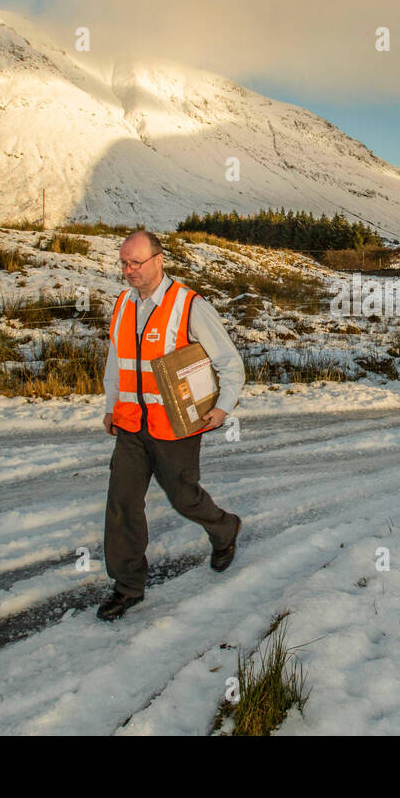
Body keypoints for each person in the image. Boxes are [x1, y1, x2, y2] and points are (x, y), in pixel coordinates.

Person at [97, 229, 246, 621]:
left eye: (136, 263)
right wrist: (112, 406)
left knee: (184, 498)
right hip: (131, 425)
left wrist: (223, 406)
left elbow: (229, 362)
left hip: (175, 427)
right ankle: (127, 585)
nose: (128, 271)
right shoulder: (123, 305)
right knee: (122, 504)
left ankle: (224, 529)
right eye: (124, 263)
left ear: (158, 260)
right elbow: (116, 361)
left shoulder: (188, 304)